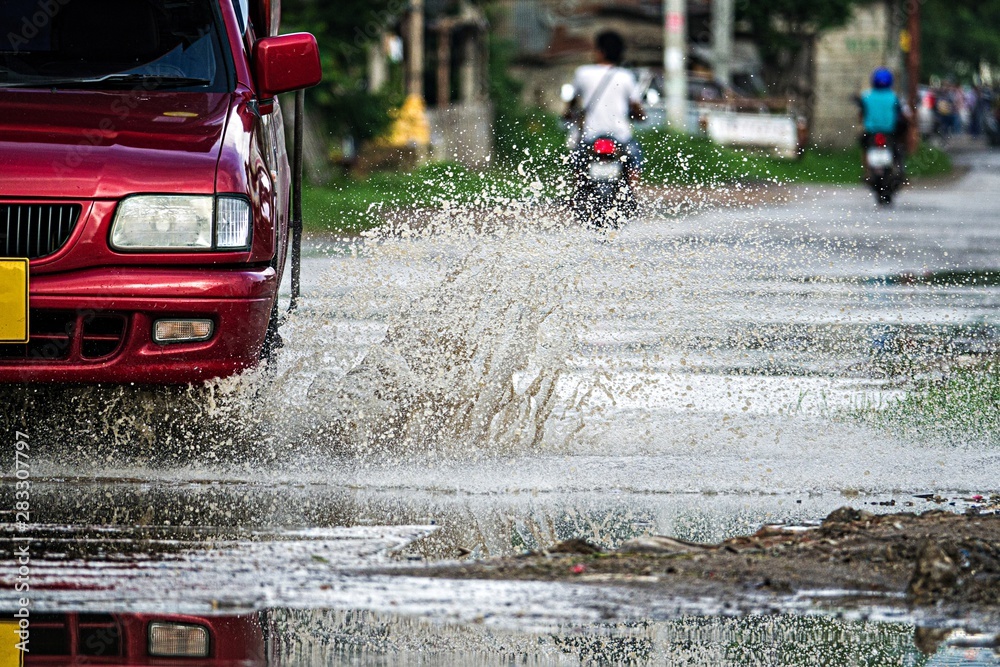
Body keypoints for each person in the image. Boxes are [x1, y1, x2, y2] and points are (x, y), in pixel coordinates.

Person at [564, 31, 646, 186]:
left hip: (590, 136)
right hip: (621, 136)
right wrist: (640, 116)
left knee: (578, 164)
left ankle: (577, 195)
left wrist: (568, 113)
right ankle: (633, 193)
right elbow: (636, 107)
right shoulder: (626, 76)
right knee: (634, 160)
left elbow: (572, 103)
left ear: (600, 51)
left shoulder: (583, 73)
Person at [858, 67, 908, 170]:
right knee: (898, 148)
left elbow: (861, 114)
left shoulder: (866, 96)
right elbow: (901, 113)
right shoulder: (894, 97)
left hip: (871, 131)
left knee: (865, 148)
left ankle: (866, 171)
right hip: (890, 131)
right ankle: (899, 168)